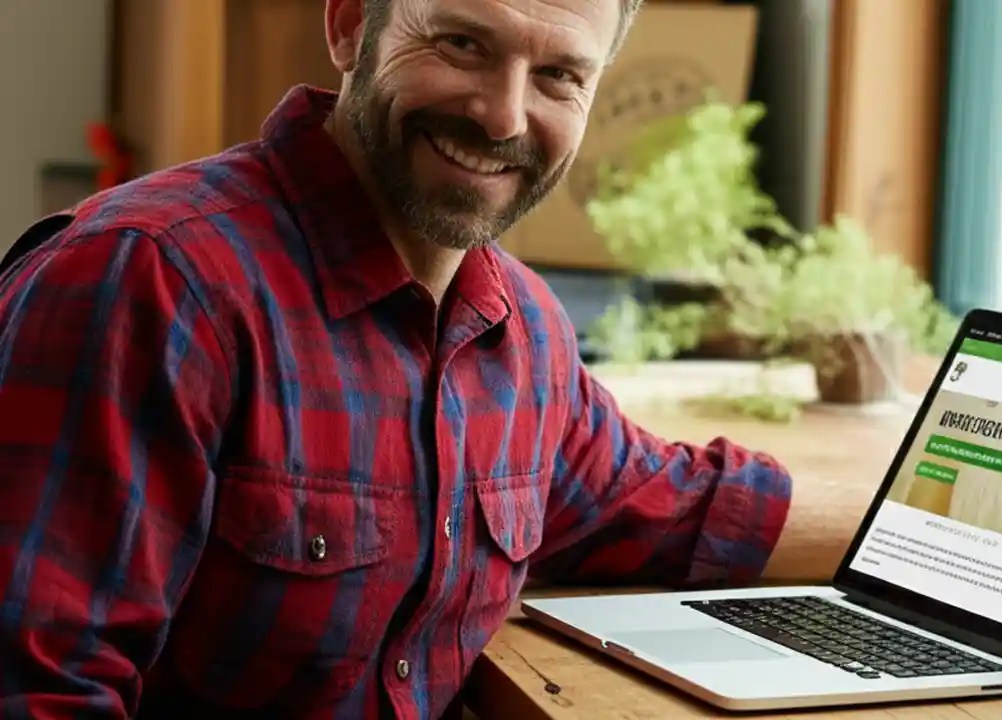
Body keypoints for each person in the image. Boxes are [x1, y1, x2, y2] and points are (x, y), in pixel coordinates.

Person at [0, 1, 850, 716]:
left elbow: (677, 506)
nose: (504, 116)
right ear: (349, 25)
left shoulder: (523, 333)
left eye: (560, 76)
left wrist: (959, 544)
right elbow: (35, 689)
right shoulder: (145, 282)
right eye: (463, 43)